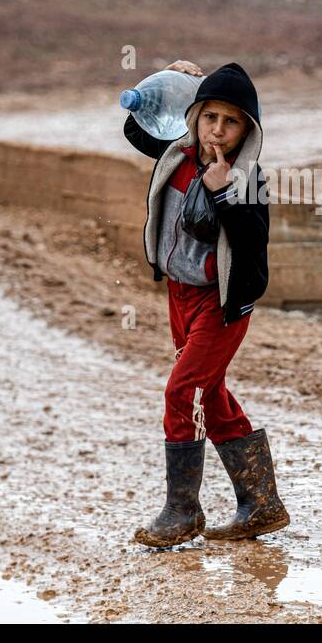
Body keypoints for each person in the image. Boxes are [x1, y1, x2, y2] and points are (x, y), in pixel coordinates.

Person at [123, 60, 290, 548]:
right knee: (208, 397)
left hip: (219, 306)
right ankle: (261, 505)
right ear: (193, 117)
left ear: (248, 130)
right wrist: (162, 84)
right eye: (209, 116)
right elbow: (135, 128)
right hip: (179, 296)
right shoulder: (177, 153)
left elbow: (251, 241)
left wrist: (221, 195)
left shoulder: (247, 180)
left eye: (231, 121)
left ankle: (182, 511)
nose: (218, 130)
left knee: (181, 393)